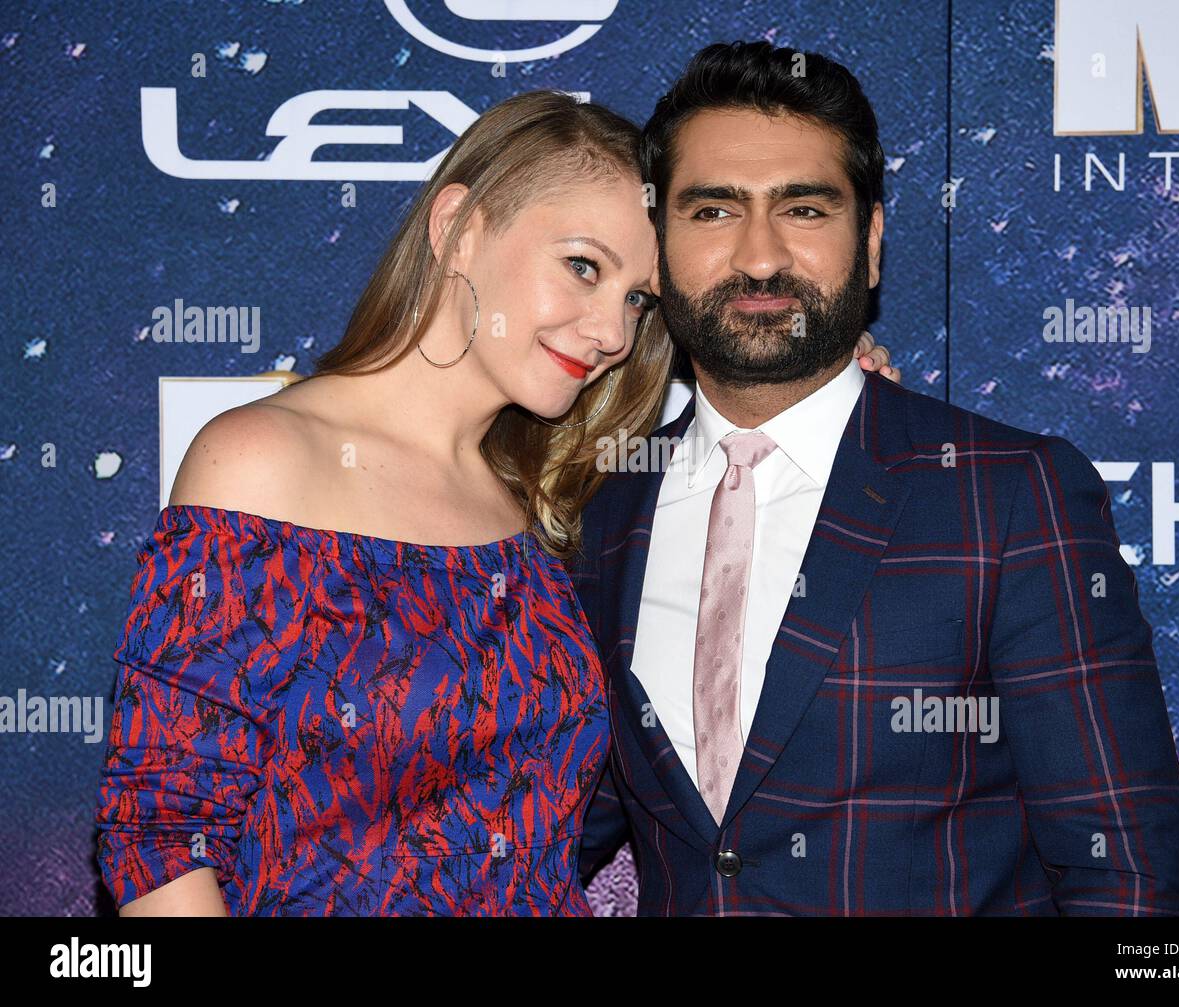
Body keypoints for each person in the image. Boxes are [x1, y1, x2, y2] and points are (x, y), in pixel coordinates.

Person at [94, 88, 899, 916]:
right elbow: (159, 835)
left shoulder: (549, 501)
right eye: (583, 267)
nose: (613, 333)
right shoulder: (261, 461)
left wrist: (819, 397)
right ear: (458, 228)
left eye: (636, 300)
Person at [574, 41, 1179, 916]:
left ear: (869, 243)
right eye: (713, 211)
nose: (759, 258)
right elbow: (544, 826)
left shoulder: (1008, 495)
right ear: (660, 242)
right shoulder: (603, 513)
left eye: (803, 208)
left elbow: (1130, 887)